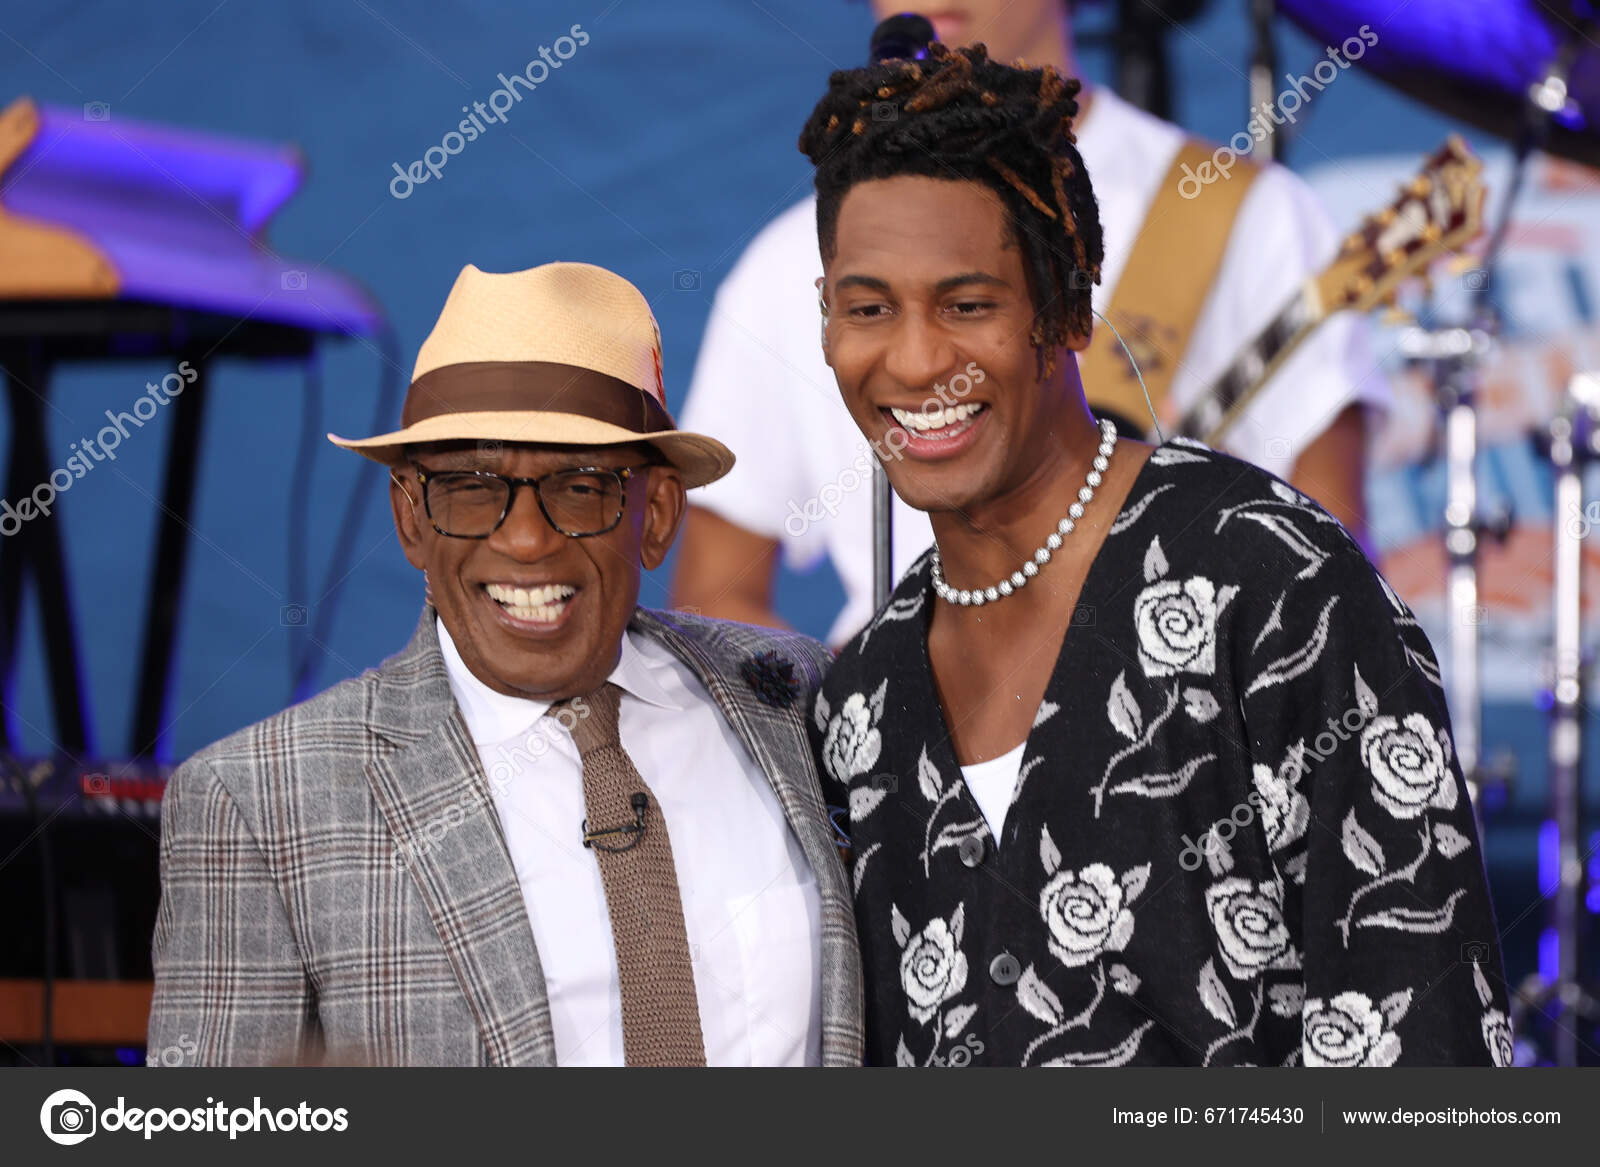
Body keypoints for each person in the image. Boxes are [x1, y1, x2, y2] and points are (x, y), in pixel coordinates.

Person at [801, 43, 1509, 1066]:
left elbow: (1427, 1038)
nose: (912, 360)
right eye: (867, 309)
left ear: (1068, 308)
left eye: (968, 305)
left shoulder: (1272, 586)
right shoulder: (860, 700)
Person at [147, 262, 862, 1067]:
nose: (525, 539)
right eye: (470, 488)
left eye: (583, 485)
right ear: (411, 517)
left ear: (656, 515)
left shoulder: (794, 699)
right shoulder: (259, 802)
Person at [672, 0, 1385, 645]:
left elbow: (1331, 555)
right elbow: (713, 596)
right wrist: (859, 708)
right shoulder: (788, 256)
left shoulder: (1246, 214)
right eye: (869, 310)